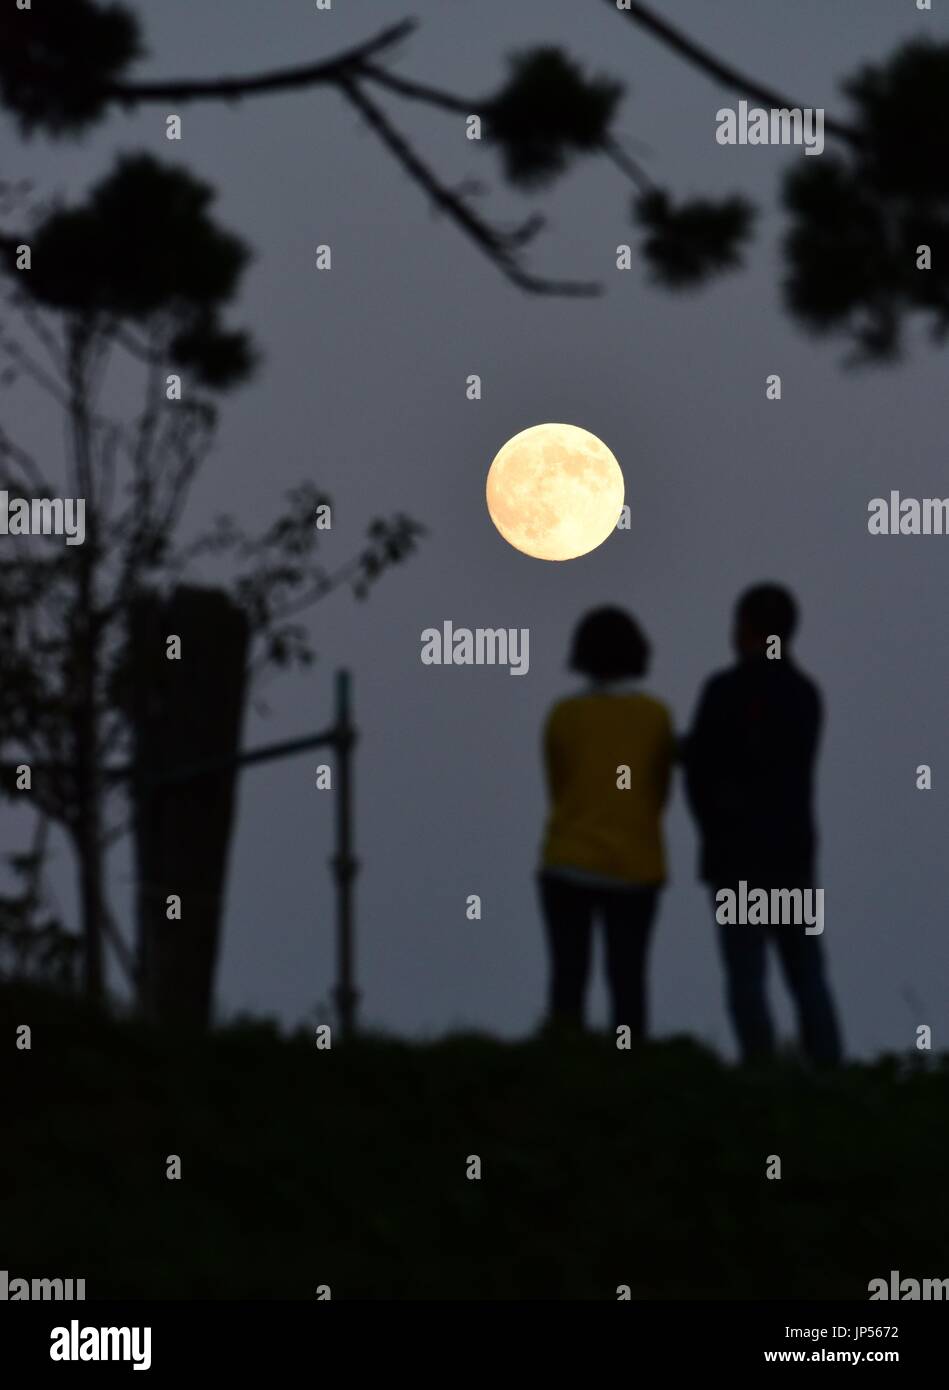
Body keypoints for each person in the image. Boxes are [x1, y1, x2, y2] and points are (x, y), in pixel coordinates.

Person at [684, 583, 843, 1065]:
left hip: (736, 859)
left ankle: (761, 1076)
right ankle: (830, 1075)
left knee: (747, 976)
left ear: (745, 629)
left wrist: (714, 829)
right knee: (806, 974)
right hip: (792, 856)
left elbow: (699, 772)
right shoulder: (805, 694)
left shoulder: (722, 692)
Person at [538, 607, 675, 1036]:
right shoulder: (656, 715)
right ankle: (628, 1072)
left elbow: (558, 787)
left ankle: (564, 1068)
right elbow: (660, 792)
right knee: (629, 981)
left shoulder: (562, 715)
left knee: (568, 978)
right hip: (636, 866)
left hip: (567, 863)